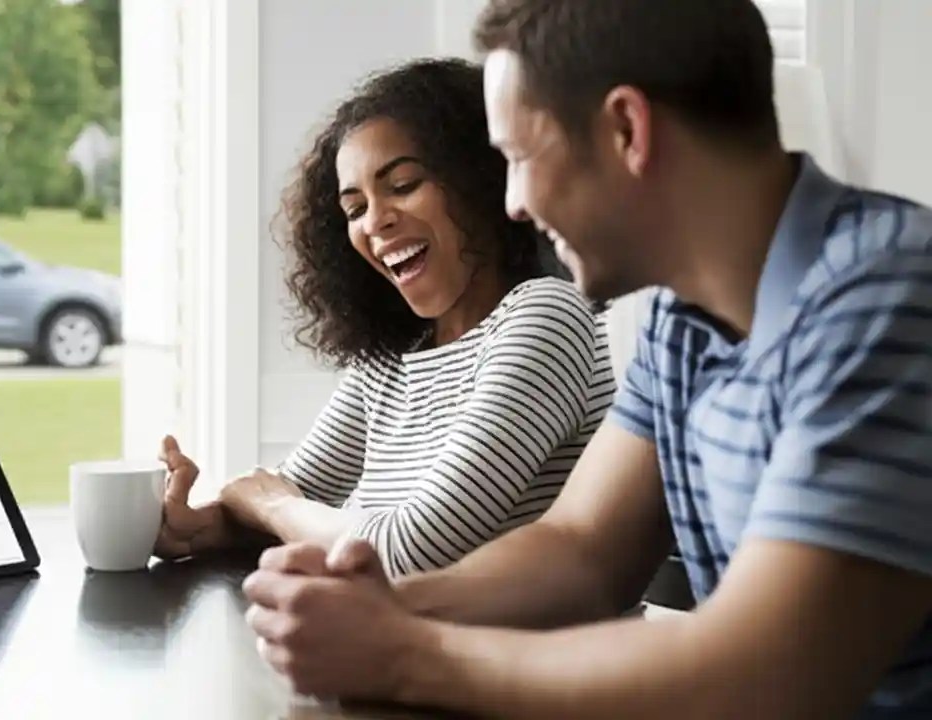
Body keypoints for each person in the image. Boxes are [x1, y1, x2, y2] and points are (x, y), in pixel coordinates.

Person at [242, 1, 932, 717]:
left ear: (627, 130)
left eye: (518, 157)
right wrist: (382, 605)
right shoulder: (683, 319)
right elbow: (581, 548)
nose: (510, 203)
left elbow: (768, 673)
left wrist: (405, 651)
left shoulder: (889, 297)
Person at [155, 58, 615, 577]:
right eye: (354, 209)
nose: (376, 221)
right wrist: (201, 526)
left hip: (527, 655)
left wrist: (270, 504)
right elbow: (299, 491)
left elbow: (412, 552)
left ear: (481, 179)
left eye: (402, 185)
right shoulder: (397, 354)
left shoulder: (547, 317)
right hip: (409, 647)